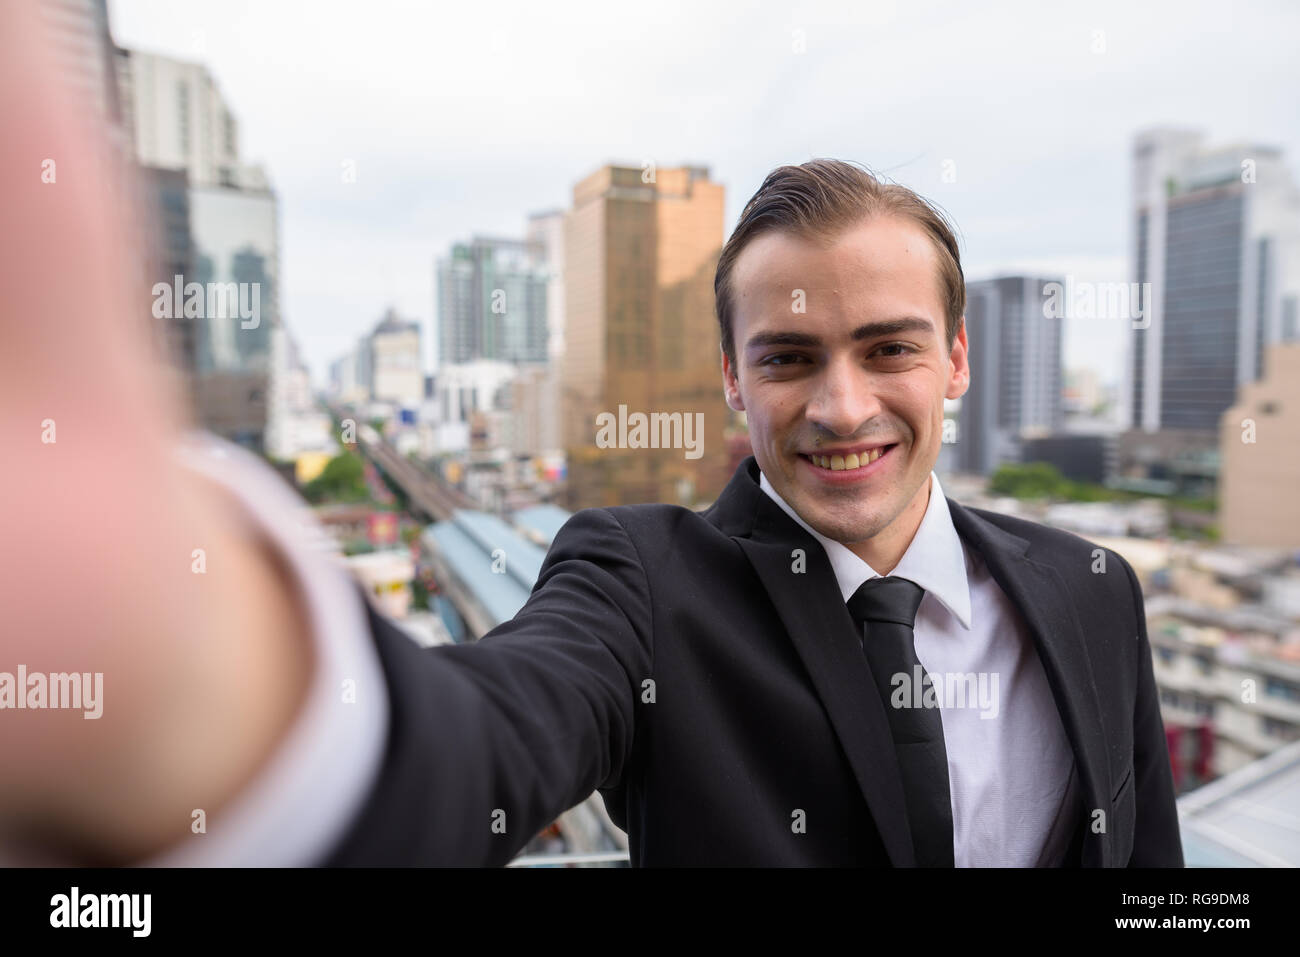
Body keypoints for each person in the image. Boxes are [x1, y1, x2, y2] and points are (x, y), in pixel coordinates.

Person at [0, 0, 1181, 867]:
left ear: (957, 358)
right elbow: (489, 745)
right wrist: (210, 698)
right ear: (730, 375)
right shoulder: (643, 584)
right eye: (787, 357)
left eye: (889, 347)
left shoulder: (1088, 589)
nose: (840, 405)